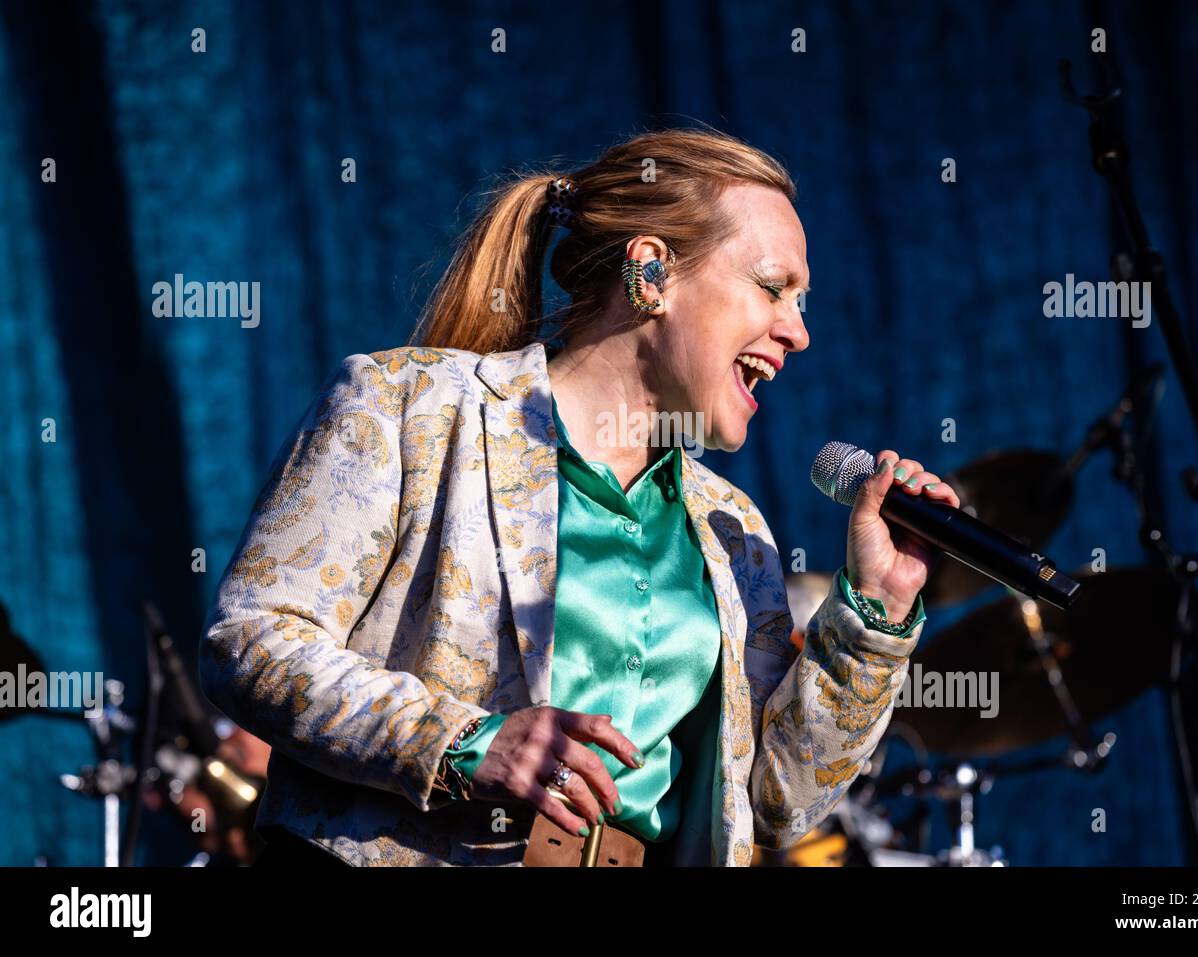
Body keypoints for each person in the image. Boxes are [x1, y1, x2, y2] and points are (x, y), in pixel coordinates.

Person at [199, 127, 960, 867]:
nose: (798, 333)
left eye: (803, 303)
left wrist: (876, 610)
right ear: (652, 273)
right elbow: (252, 641)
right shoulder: (409, 410)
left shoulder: (733, 532)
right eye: (772, 288)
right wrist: (464, 742)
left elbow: (776, 802)